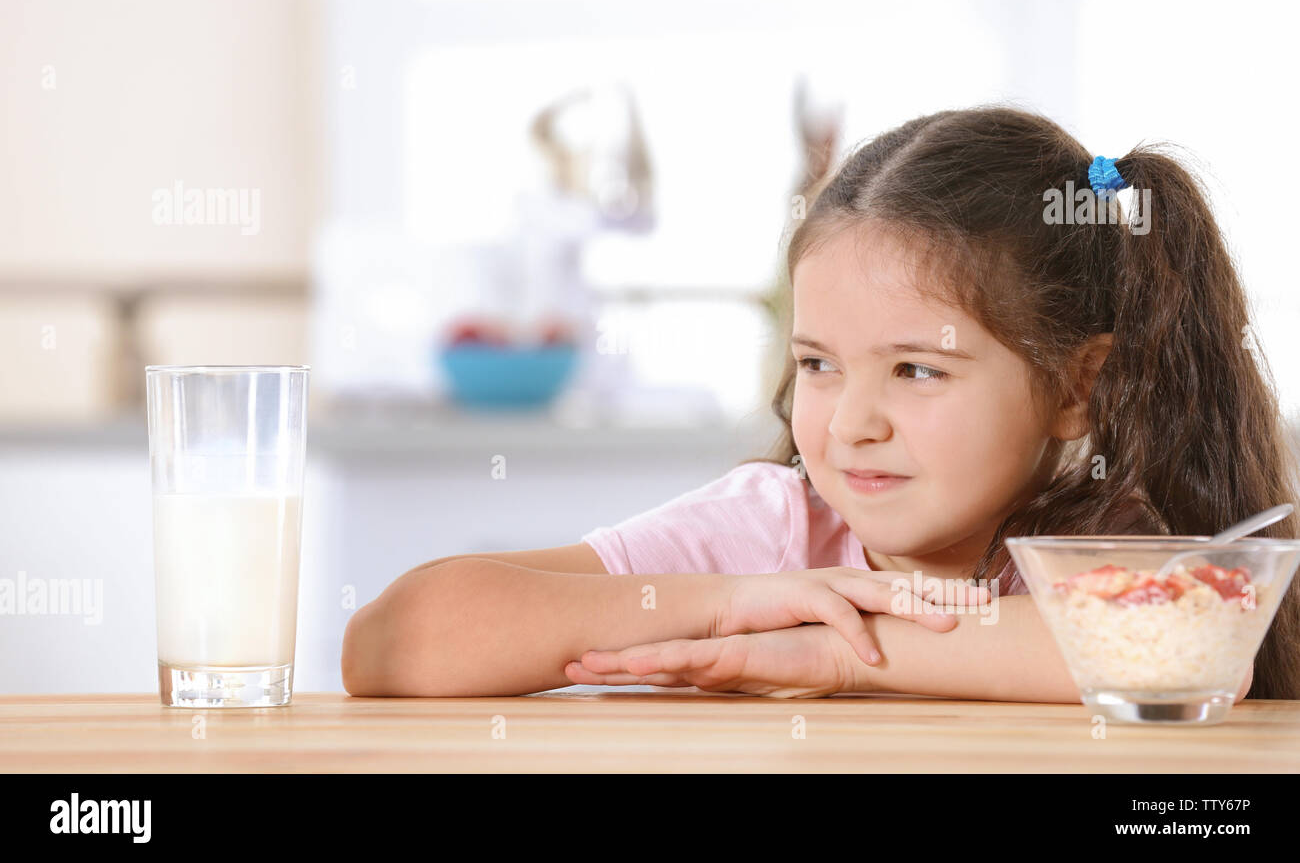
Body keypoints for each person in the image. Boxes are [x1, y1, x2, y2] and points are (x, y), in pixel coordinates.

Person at [342, 105, 1297, 702]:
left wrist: (841, 653)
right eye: (818, 363)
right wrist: (730, 608)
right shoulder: (763, 536)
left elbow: (1185, 649)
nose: (849, 425)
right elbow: (395, 639)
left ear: (1077, 388)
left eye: (917, 370)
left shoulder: (1100, 535)